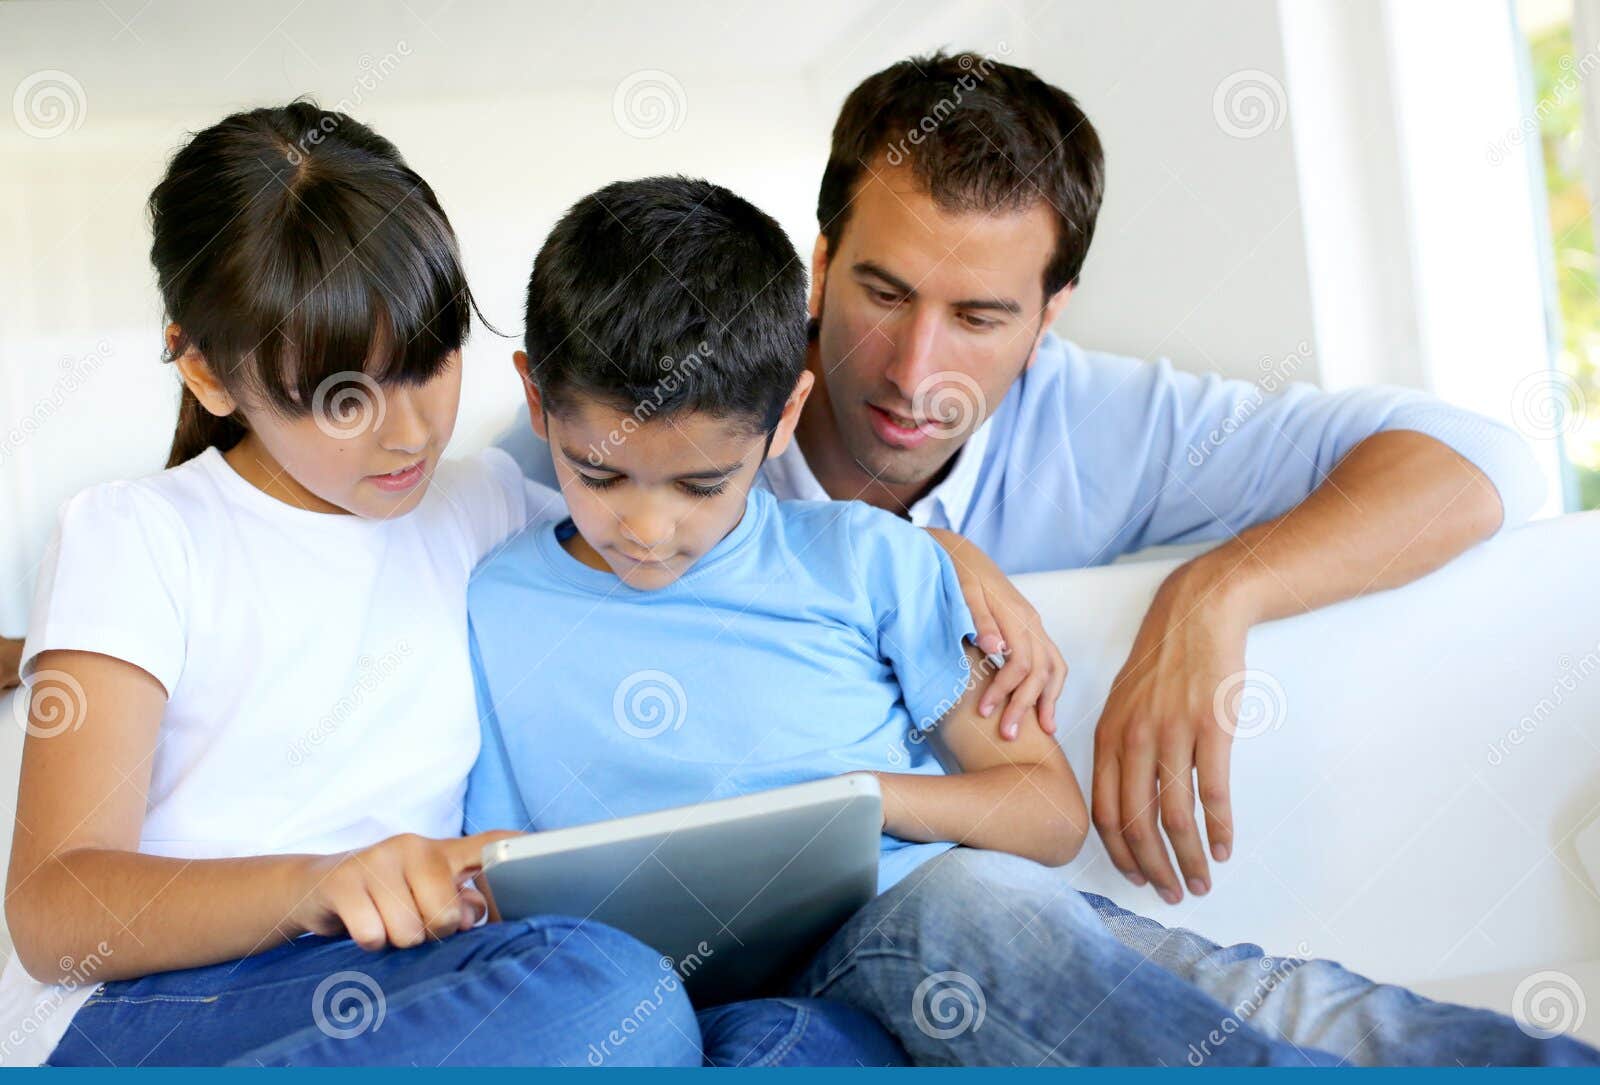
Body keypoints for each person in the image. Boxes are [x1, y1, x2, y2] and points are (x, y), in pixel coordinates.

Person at [466, 173, 1597, 1066]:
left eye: (702, 485)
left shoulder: (870, 561)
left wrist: (843, 810)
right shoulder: (487, 594)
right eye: (599, 475)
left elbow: (1046, 813)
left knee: (1260, 997)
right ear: (535, 404)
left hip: (927, 916)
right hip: (702, 1000)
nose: (648, 529)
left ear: (785, 414)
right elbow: (496, 881)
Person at [496, 53, 1549, 906]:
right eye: (882, 293)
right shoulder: (659, 411)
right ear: (819, 265)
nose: (914, 373)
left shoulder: (1108, 423)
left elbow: (1479, 464)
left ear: (1049, 315)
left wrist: (1214, 594)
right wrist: (924, 553)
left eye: (980, 317)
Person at [0, 103, 904, 1069]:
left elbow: (662, 494)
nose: (407, 433)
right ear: (208, 371)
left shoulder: (483, 507)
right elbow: (56, 910)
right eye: (341, 396)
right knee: (606, 997)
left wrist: (946, 558)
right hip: (151, 1016)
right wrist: (320, 884)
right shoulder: (137, 533)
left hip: (420, 988)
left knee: (819, 1039)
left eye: (429, 363)